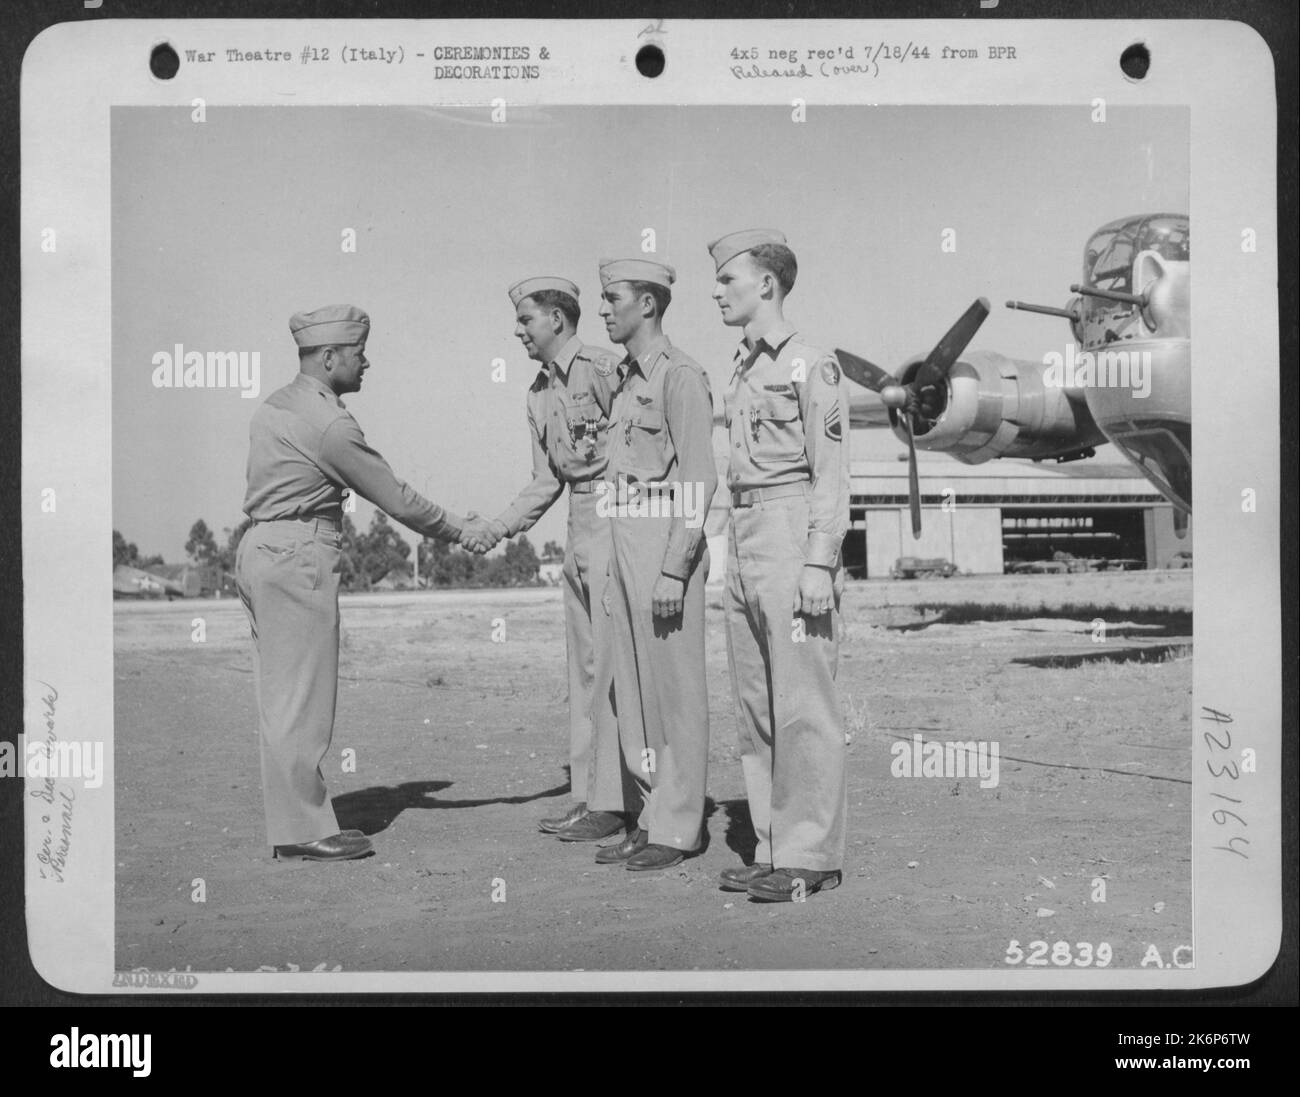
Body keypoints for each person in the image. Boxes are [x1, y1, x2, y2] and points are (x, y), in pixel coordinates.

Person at [236, 304, 473, 862]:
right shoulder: (329, 423)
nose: (367, 363)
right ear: (329, 357)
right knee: (303, 699)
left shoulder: (276, 406)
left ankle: (293, 822)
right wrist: (462, 529)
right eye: (358, 353)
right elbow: (395, 497)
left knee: (279, 699)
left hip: (259, 548)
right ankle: (303, 830)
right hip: (300, 554)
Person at [461, 277, 636, 842]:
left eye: (526, 320)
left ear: (557, 320)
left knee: (614, 668)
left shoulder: (607, 370)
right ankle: (590, 798)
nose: (517, 331)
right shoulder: (537, 393)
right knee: (584, 673)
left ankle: (623, 802)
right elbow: (545, 481)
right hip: (578, 529)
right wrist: (497, 528)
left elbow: (646, 452)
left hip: (620, 520)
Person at [707, 230, 850, 901]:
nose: (717, 290)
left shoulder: (812, 365)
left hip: (792, 530)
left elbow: (831, 473)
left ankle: (811, 852)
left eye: (728, 279)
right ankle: (772, 845)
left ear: (766, 284)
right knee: (757, 704)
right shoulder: (739, 368)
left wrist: (819, 561)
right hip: (744, 532)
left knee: (803, 702)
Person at [593, 258, 717, 872]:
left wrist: (674, 567)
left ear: (647, 304)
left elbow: (698, 479)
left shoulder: (682, 377)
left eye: (612, 298)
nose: (603, 309)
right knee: (635, 694)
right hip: (623, 542)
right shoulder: (623, 382)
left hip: (665, 541)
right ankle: (650, 815)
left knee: (676, 694)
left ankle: (680, 826)